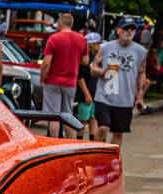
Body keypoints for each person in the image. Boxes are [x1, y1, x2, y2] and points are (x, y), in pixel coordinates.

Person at [91, 17, 148, 145]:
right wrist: (102, 72)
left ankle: (111, 162)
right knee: (103, 128)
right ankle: (97, 158)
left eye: (132, 28)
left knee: (118, 133)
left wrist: (140, 97)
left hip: (125, 99)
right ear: (118, 30)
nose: (129, 31)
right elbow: (93, 68)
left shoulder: (141, 51)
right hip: (104, 96)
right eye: (126, 28)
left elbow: (142, 73)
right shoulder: (105, 47)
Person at [41, 13, 86, 138]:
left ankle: (53, 144)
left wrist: (42, 78)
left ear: (60, 23)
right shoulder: (81, 39)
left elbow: (46, 63)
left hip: (53, 81)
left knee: (54, 115)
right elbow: (86, 61)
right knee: (68, 114)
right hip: (71, 82)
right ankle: (70, 144)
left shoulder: (54, 38)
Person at [77, 33, 101, 137]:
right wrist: (87, 94)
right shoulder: (85, 59)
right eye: (97, 43)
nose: (99, 46)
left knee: (93, 119)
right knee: (82, 120)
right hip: (86, 95)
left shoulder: (98, 58)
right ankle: (78, 143)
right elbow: (80, 77)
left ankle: (92, 141)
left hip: (96, 94)